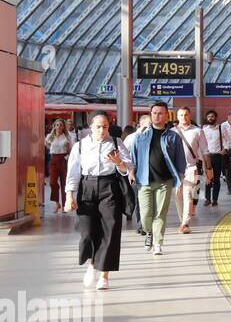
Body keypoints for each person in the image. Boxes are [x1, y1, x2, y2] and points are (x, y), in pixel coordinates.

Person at [64, 111, 134, 290]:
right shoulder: (80, 146)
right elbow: (72, 172)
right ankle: (91, 265)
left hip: (110, 187)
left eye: (105, 127)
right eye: (98, 127)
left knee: (110, 229)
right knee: (87, 231)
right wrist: (69, 196)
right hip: (87, 186)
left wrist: (119, 162)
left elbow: (128, 167)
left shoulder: (117, 143)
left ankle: (104, 274)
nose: (102, 130)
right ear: (90, 127)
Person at [127, 103, 187, 256]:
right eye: (154, 113)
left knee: (160, 214)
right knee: (146, 214)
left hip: (164, 182)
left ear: (166, 115)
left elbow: (180, 161)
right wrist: (131, 172)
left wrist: (180, 181)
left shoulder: (173, 136)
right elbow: (133, 157)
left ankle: (158, 243)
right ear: (151, 114)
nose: (157, 116)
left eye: (160, 113)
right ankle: (149, 232)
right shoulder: (141, 136)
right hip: (144, 180)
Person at [172, 106, 208, 233]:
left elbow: (204, 150)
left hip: (191, 167)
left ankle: (185, 223)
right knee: (178, 196)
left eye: (186, 114)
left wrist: (208, 167)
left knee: (187, 194)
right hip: (175, 169)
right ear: (177, 117)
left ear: (190, 115)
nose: (184, 117)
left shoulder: (198, 131)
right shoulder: (172, 132)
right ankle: (182, 220)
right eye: (181, 115)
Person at [45, 119, 74, 212]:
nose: (59, 127)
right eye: (57, 125)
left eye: (61, 125)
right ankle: (57, 203)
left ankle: (65, 205)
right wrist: (52, 150)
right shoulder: (50, 136)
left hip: (63, 160)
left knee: (64, 183)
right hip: (53, 159)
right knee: (52, 182)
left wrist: (67, 157)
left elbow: (71, 149)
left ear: (63, 127)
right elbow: (47, 144)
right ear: (55, 126)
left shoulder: (67, 137)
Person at [202, 110, 225, 208]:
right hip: (207, 156)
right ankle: (207, 199)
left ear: (215, 118)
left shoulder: (221, 129)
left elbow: (227, 140)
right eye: (208, 117)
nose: (210, 118)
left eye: (212, 116)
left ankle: (215, 199)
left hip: (217, 156)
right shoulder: (204, 130)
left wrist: (225, 149)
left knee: (216, 179)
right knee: (208, 178)